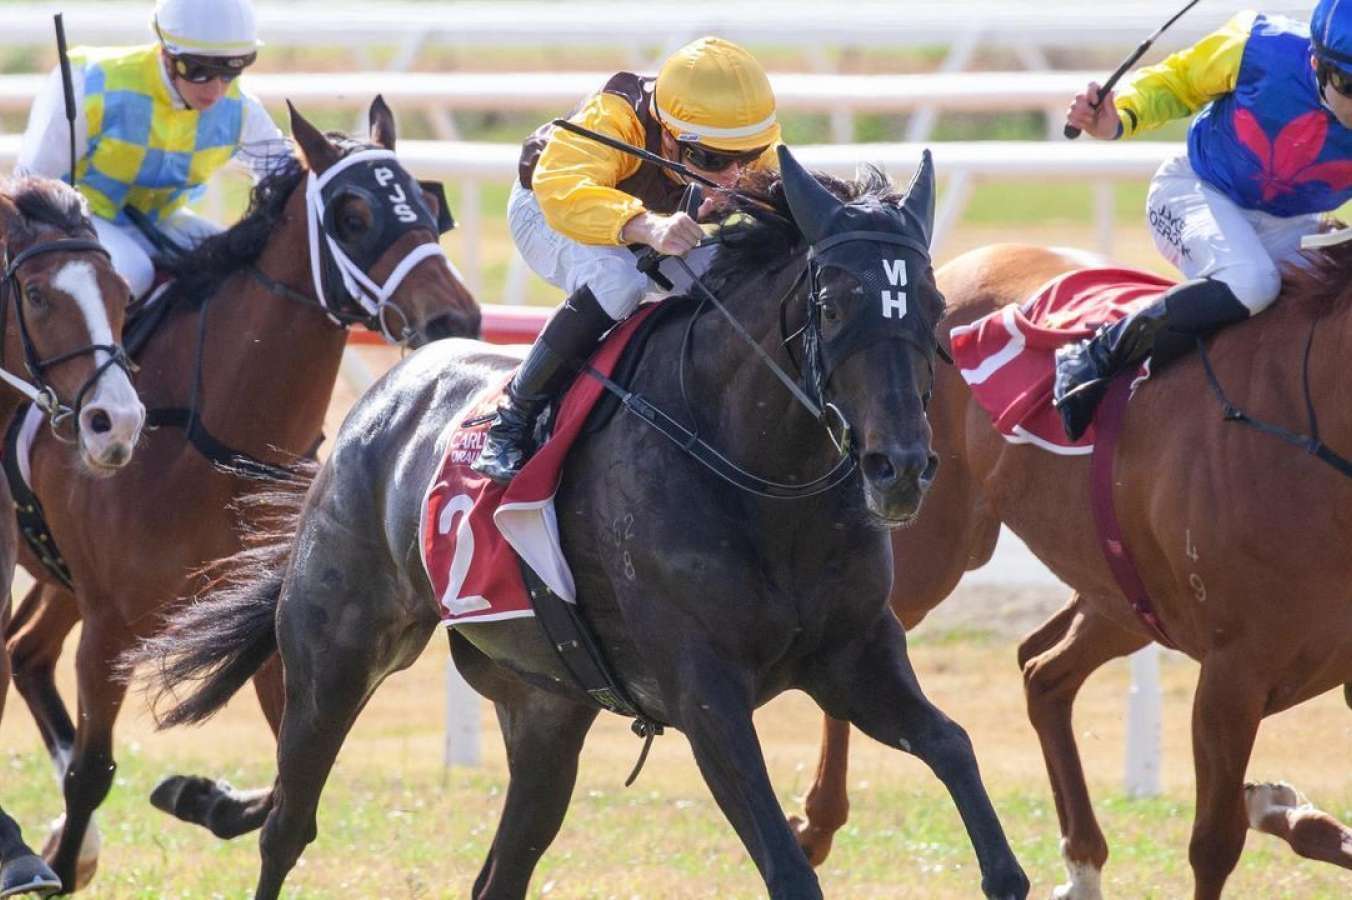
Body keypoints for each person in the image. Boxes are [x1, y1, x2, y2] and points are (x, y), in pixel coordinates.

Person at [473, 36, 781, 483]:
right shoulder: (616, 116)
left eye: (746, 158)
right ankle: (511, 421)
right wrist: (648, 226)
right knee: (618, 279)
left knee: (731, 272)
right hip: (548, 207)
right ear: (670, 134)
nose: (733, 175)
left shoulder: (734, 135)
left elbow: (779, 193)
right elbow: (564, 193)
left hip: (645, 215)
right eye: (712, 160)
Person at [1054, 1, 1352, 440]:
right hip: (1196, 192)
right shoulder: (1258, 45)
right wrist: (1119, 116)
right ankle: (1095, 355)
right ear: (1315, 61)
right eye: (1351, 84)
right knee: (1252, 281)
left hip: (1294, 227)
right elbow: (1176, 83)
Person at [16, 0, 290, 299]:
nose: (215, 89)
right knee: (135, 271)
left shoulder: (242, 110)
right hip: (81, 218)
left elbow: (287, 172)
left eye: (230, 71)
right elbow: (31, 183)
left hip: (163, 218)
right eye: (199, 70)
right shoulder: (91, 84)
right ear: (166, 53)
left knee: (237, 271)